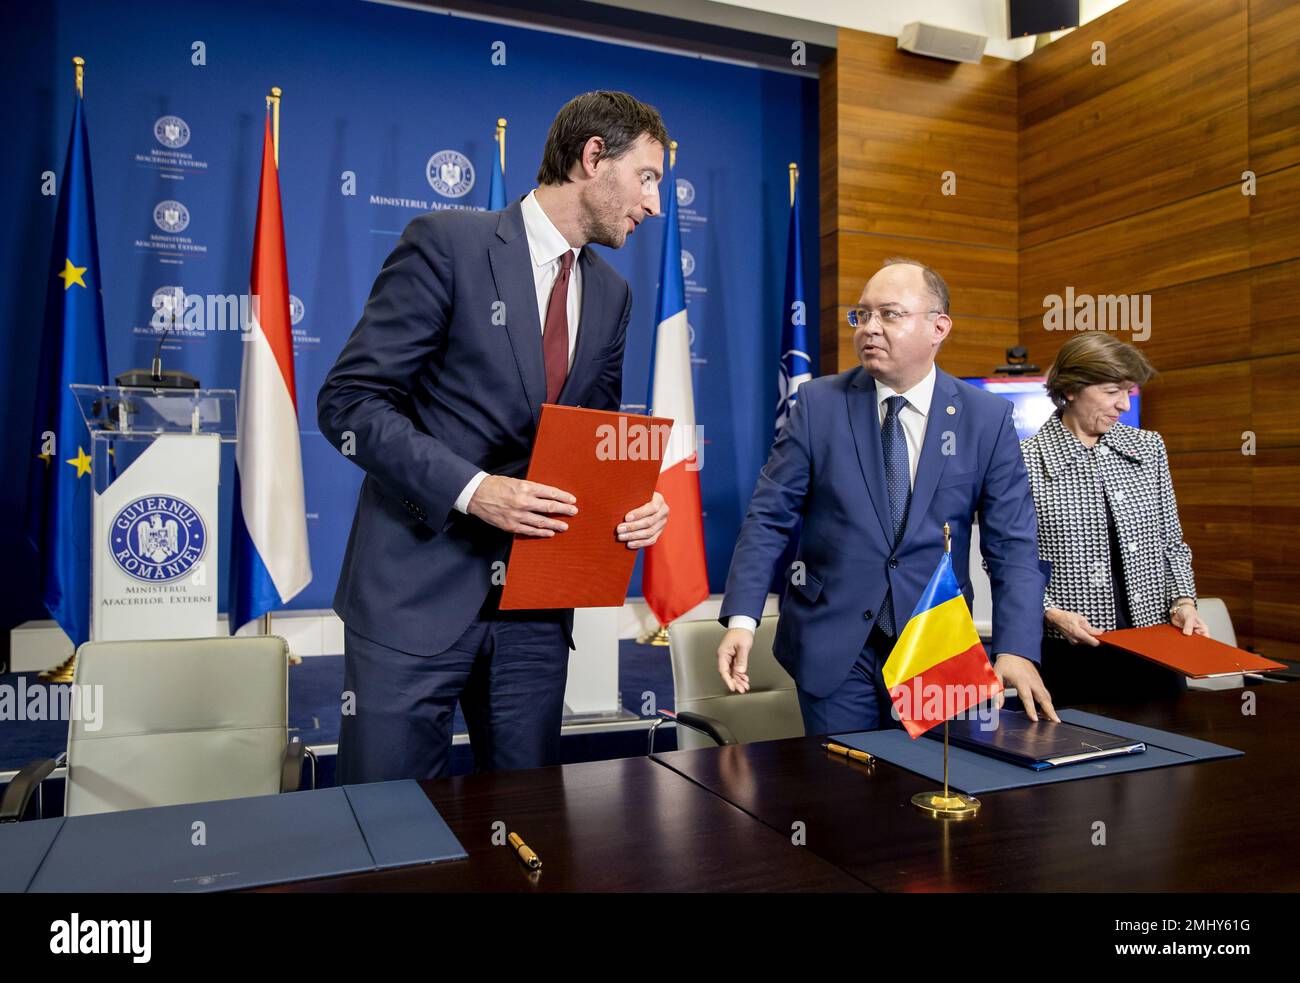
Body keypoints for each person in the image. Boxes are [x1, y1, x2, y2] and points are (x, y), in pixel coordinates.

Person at [318, 91, 671, 783]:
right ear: (593, 157)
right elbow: (350, 402)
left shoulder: (611, 294)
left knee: (527, 833)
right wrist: (473, 491)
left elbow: (592, 440)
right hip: (412, 599)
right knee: (389, 833)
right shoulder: (447, 243)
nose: (654, 204)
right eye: (648, 177)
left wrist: (633, 502)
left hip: (533, 618)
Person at [716, 258, 1057, 734]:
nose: (869, 328)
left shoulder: (986, 419)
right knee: (844, 793)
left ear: (939, 327)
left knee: (934, 793)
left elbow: (1013, 545)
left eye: (890, 314)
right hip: (833, 645)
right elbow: (768, 518)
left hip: (936, 647)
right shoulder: (817, 405)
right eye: (862, 315)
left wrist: (1015, 647)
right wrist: (742, 620)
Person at [1020, 332, 1208, 705]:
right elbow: (1007, 561)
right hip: (1073, 652)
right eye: (1111, 392)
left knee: (1174, 757)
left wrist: (1184, 601)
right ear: (1071, 390)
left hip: (1157, 645)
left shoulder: (1148, 448)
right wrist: (1051, 613)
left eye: (1129, 391)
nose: (1123, 404)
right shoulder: (1024, 460)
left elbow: (1171, 541)